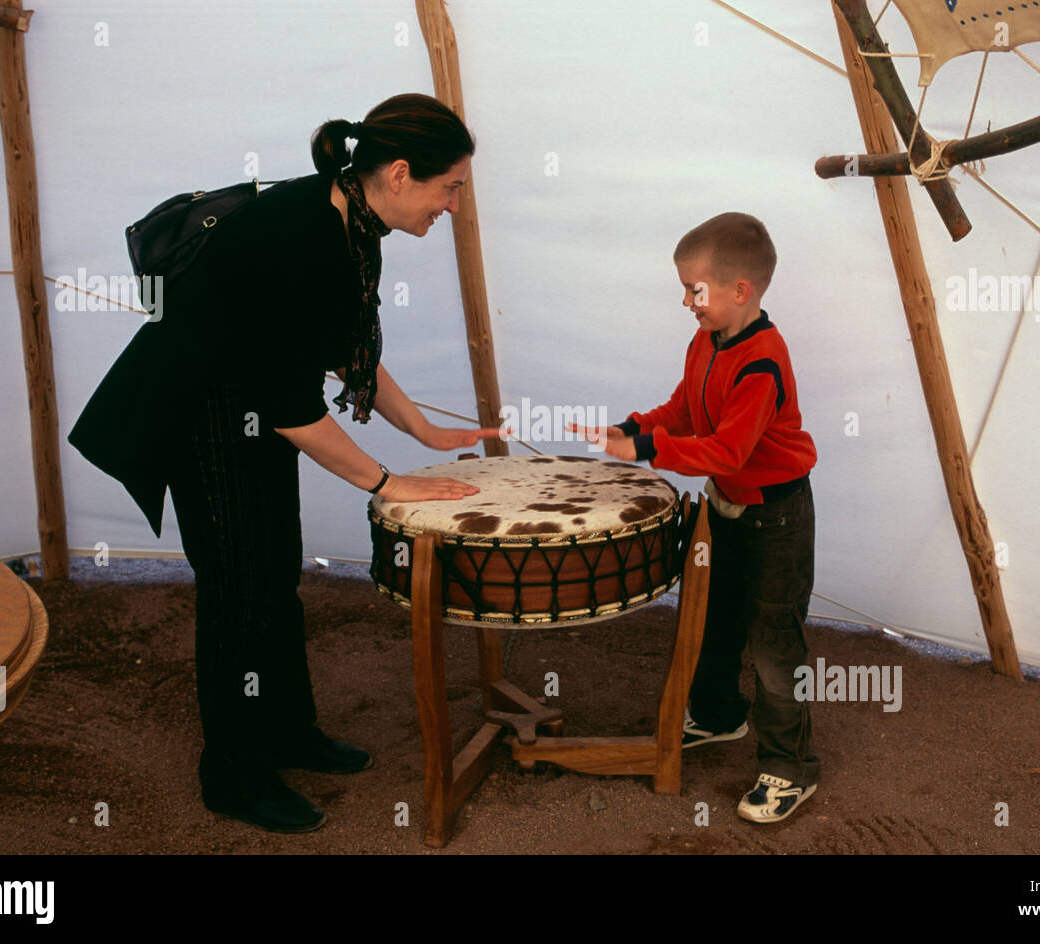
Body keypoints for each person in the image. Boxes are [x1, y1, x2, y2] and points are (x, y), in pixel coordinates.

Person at [68, 93, 501, 833]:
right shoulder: (300, 232)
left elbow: (340, 346)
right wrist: (390, 481)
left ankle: (287, 731)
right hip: (199, 412)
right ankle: (234, 775)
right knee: (238, 593)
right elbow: (291, 404)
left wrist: (424, 430)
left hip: (249, 406)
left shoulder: (353, 223)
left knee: (276, 573)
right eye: (449, 187)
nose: (454, 205)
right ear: (399, 174)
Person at [571, 212, 819, 824]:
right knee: (712, 618)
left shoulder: (763, 361)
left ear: (742, 290)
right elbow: (685, 408)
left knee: (773, 644)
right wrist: (634, 429)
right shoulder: (707, 340)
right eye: (685, 288)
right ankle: (716, 717)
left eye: (695, 290)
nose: (686, 301)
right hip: (724, 508)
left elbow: (730, 450)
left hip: (776, 520)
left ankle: (790, 767)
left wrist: (648, 452)